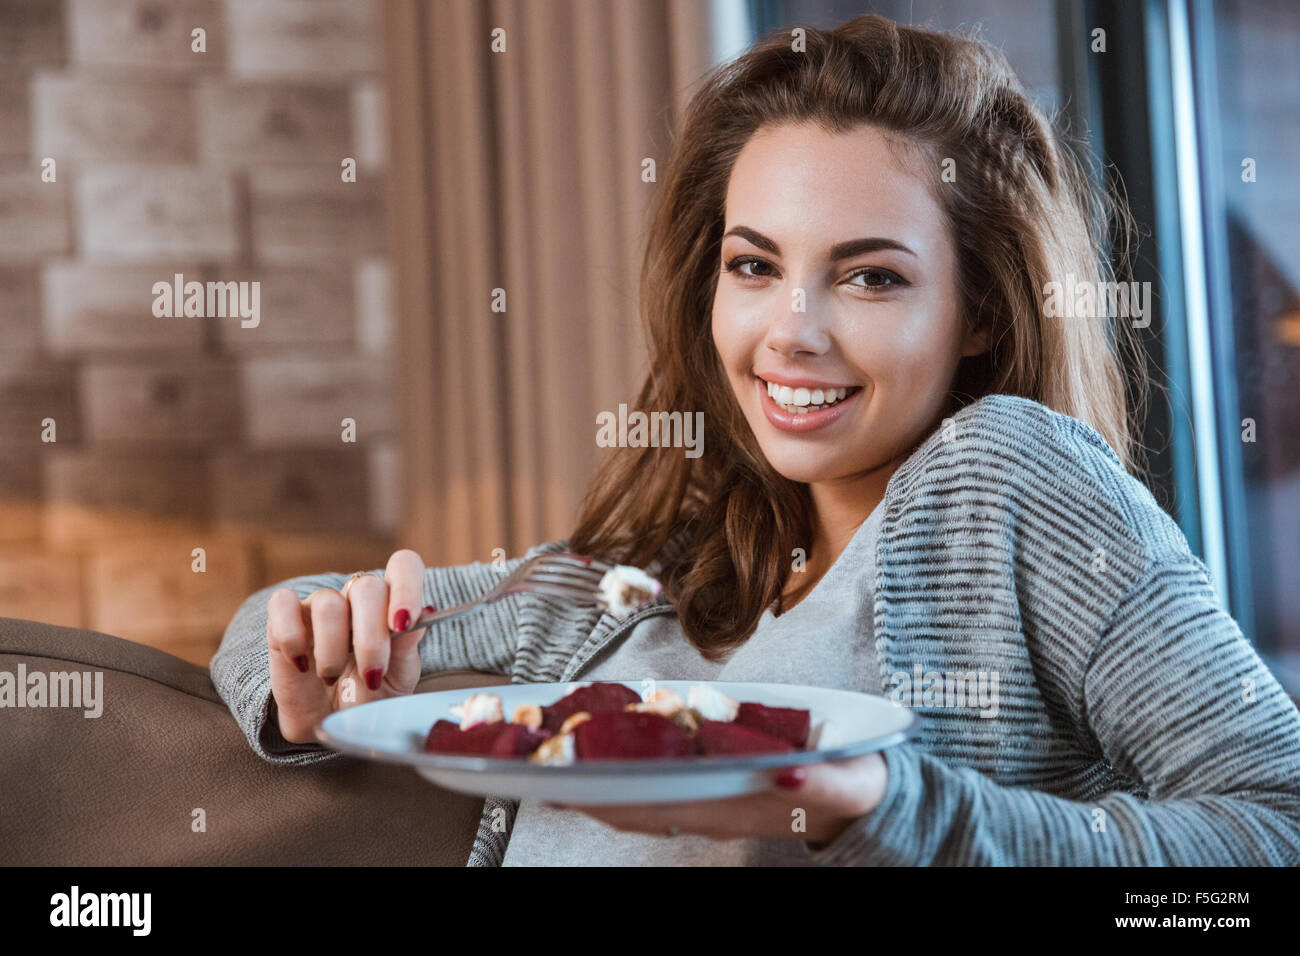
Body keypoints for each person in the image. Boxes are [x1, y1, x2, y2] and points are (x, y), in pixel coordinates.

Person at [211, 13, 1300, 866]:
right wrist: (319, 659)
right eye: (753, 265)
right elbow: (267, 621)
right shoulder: (638, 584)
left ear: (980, 313)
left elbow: (1277, 822)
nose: (792, 331)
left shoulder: (1005, 478)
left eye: (871, 276)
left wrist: (878, 810)